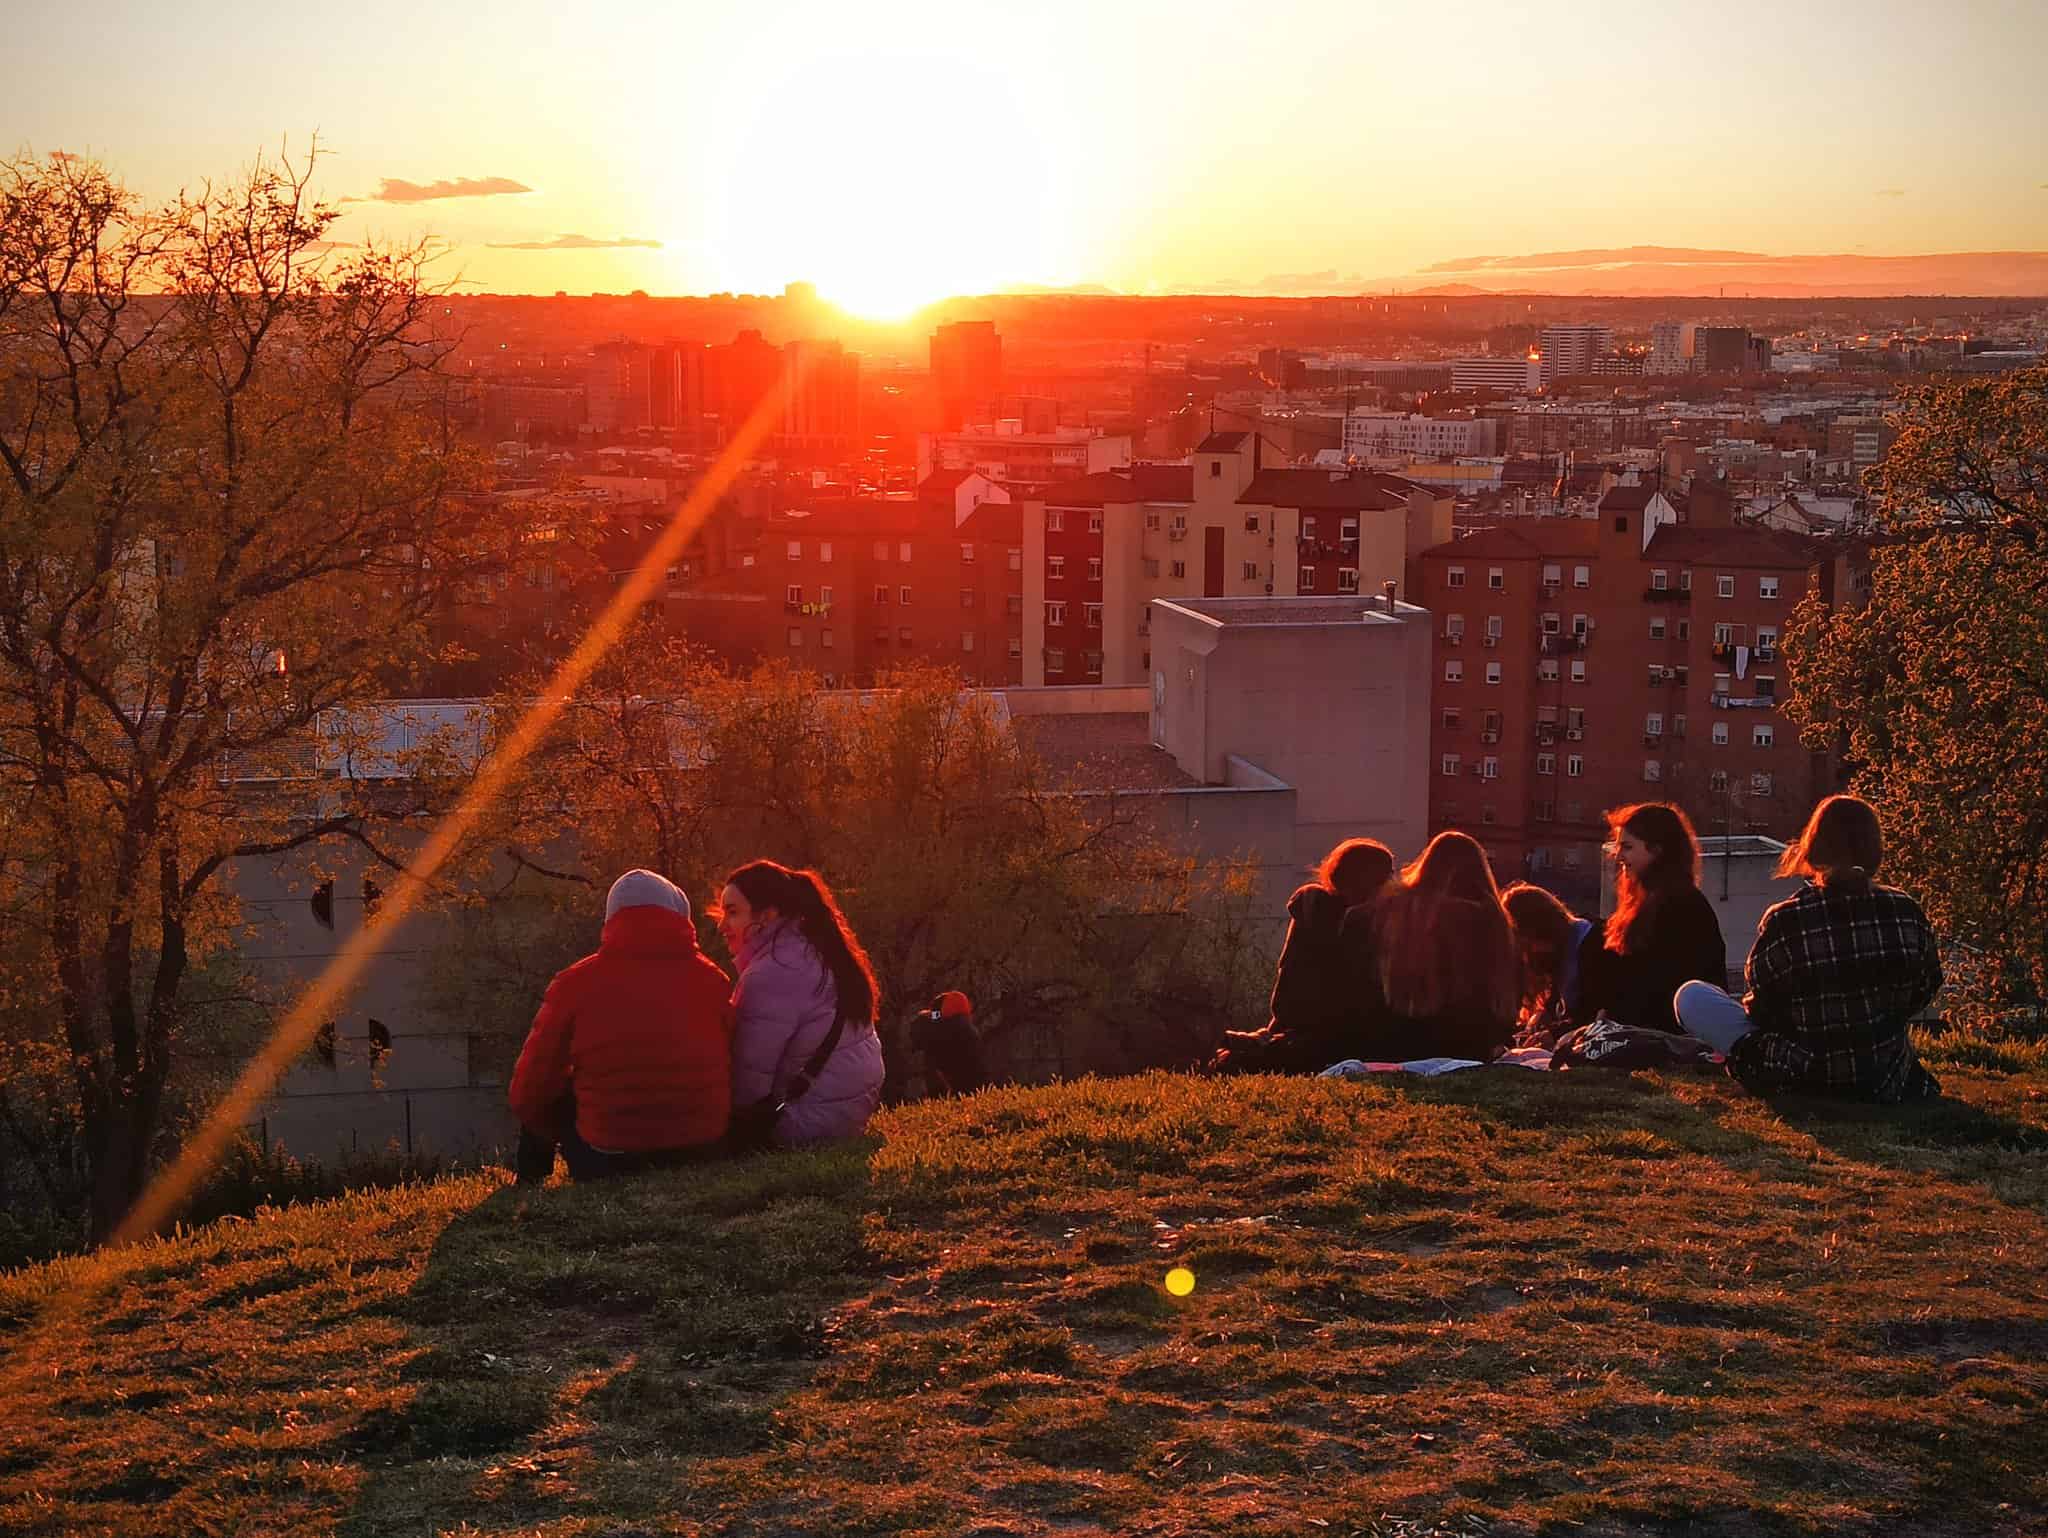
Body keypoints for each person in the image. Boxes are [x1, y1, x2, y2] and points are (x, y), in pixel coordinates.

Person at [1675, 795, 1942, 1103]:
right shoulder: (1905, 909)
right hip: (1885, 1075)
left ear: (1813, 846)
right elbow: (1926, 985)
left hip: (1799, 1074)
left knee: (1692, 996)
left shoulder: (1785, 918)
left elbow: (1763, 1005)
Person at [509, 869, 734, 1184]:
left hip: (606, 1159)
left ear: (611, 920)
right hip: (703, 1150)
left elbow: (527, 1093)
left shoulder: (573, 983)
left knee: (546, 1081)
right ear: (681, 917)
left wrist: (553, 1132)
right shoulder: (714, 980)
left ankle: (530, 1180)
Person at [717, 860, 886, 1145]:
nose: (722, 925)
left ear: (767, 916)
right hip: (847, 1111)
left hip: (804, 1121)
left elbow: (748, 1086)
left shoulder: (772, 973)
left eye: (732, 913)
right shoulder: (816, 951)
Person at [1217, 837, 1394, 1073]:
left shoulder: (1312, 914)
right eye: (1388, 875)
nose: (1394, 881)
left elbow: (1287, 990)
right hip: (1339, 1038)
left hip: (1306, 1031)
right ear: (1372, 880)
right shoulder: (1365, 923)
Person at [1365, 831, 1520, 1062]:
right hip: (1469, 1038)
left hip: (1402, 1030)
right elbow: (1502, 982)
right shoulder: (1490, 916)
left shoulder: (1399, 909)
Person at [1579, 803, 1726, 1032]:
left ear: (1657, 850)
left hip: (1670, 1035)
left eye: (1627, 847)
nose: (1618, 856)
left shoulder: (1682, 906)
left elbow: (1657, 984)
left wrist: (1611, 1018)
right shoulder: (1645, 902)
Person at [1500, 882, 1598, 1046]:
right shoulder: (1558, 956)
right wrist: (1544, 1015)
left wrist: (1555, 1033)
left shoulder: (1594, 946)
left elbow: (1595, 1015)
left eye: (1528, 944)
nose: (1528, 954)